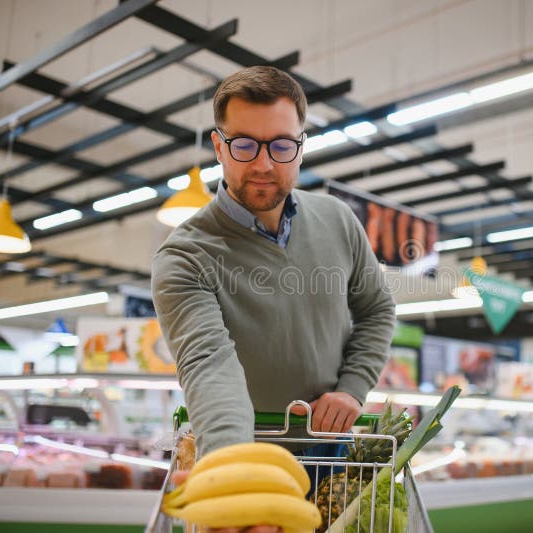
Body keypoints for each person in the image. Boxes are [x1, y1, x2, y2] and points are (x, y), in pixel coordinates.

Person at [151, 66, 396, 533]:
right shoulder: (184, 256)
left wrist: (352, 386)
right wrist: (235, 478)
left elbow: (377, 309)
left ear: (301, 146)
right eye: (244, 144)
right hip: (242, 450)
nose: (264, 163)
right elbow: (208, 365)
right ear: (219, 146)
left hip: (335, 453)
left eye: (282, 145)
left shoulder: (339, 221)